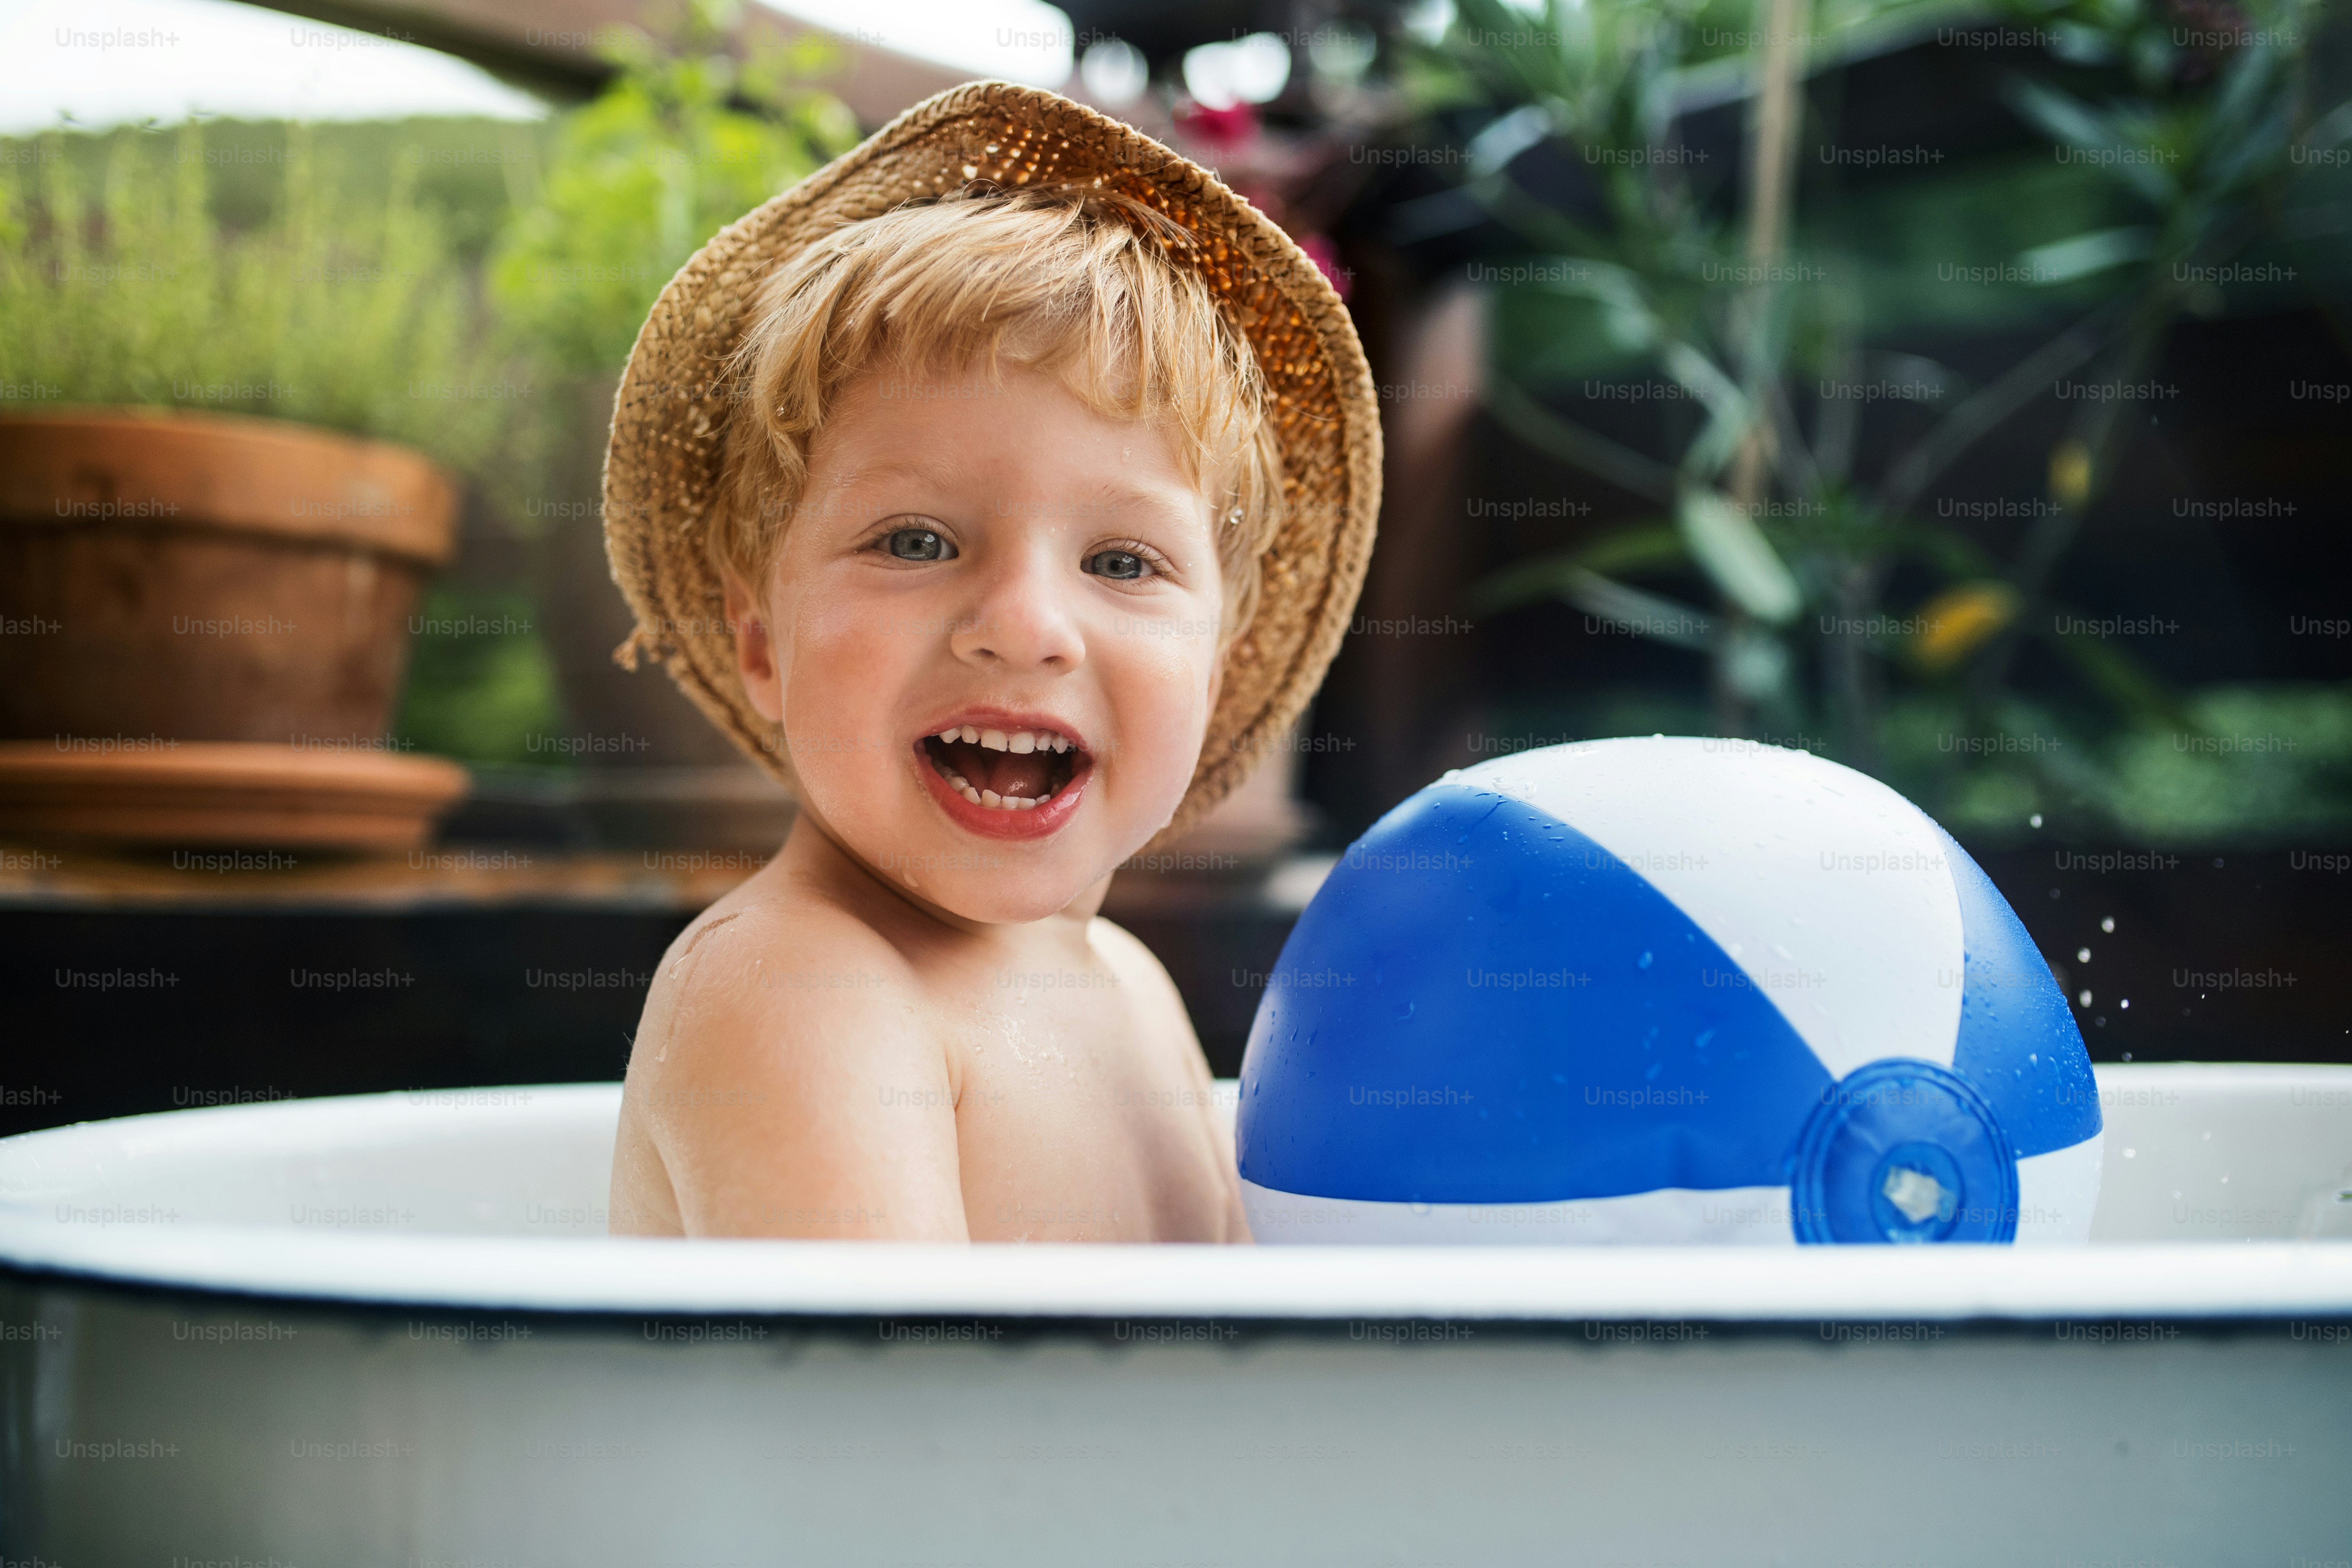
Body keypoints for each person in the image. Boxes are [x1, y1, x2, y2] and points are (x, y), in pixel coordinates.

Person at [601, 84, 1380, 1240]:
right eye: (916, 541)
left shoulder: (1131, 992)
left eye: (1121, 561)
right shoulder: (798, 991)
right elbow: (904, 1420)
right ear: (761, 640)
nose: (1023, 625)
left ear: (1215, 667)